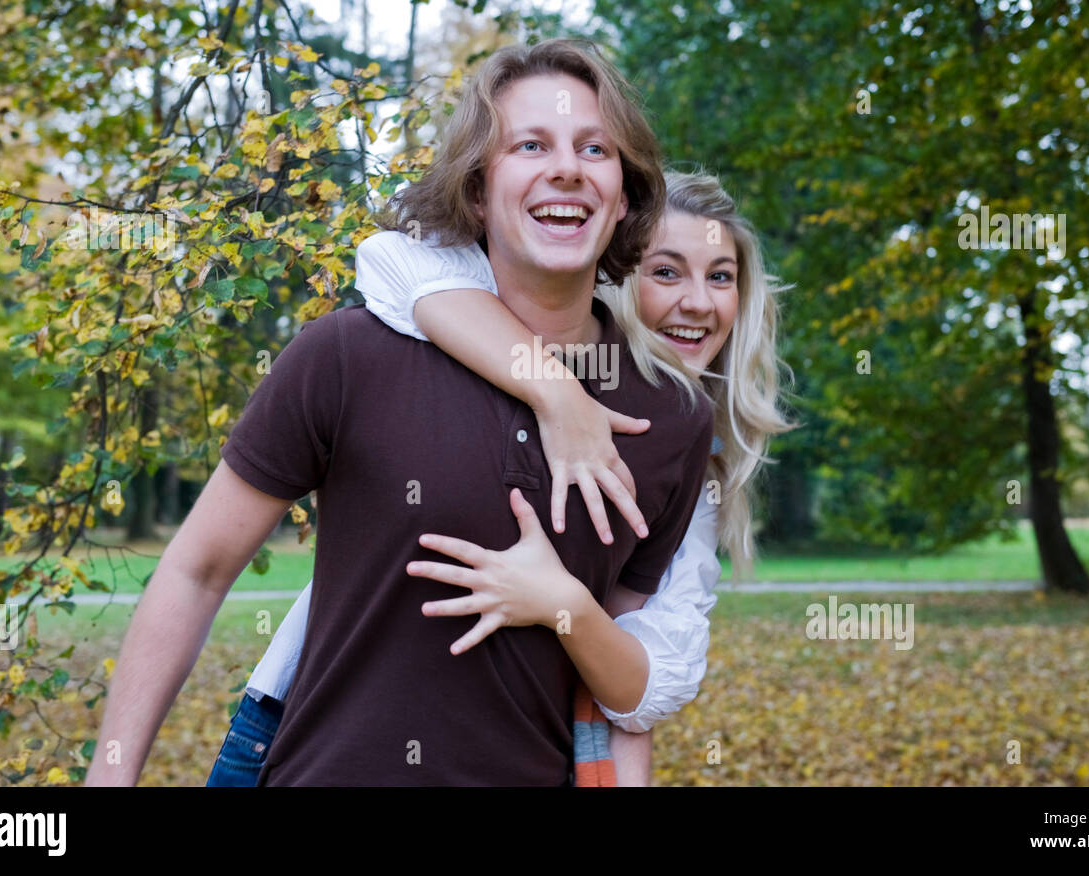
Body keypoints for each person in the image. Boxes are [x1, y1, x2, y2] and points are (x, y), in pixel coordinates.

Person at [85, 38, 716, 787]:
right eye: (530, 144)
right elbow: (195, 572)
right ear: (478, 190)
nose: (567, 168)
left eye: (595, 148)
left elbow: (609, 695)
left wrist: (567, 607)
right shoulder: (349, 356)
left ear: (626, 197)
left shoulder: (670, 418)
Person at [206, 169, 798, 786]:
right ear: (615, 273)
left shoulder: (688, 452)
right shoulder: (478, 347)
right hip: (304, 732)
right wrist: (560, 395)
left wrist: (562, 603)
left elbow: (641, 694)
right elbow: (391, 259)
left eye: (721, 276)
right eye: (666, 271)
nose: (699, 302)